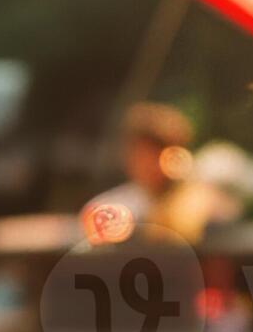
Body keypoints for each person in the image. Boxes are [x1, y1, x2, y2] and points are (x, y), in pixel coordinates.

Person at [80, 101, 193, 244]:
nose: (150, 165)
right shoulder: (111, 206)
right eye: (141, 156)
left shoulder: (198, 199)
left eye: (158, 156)